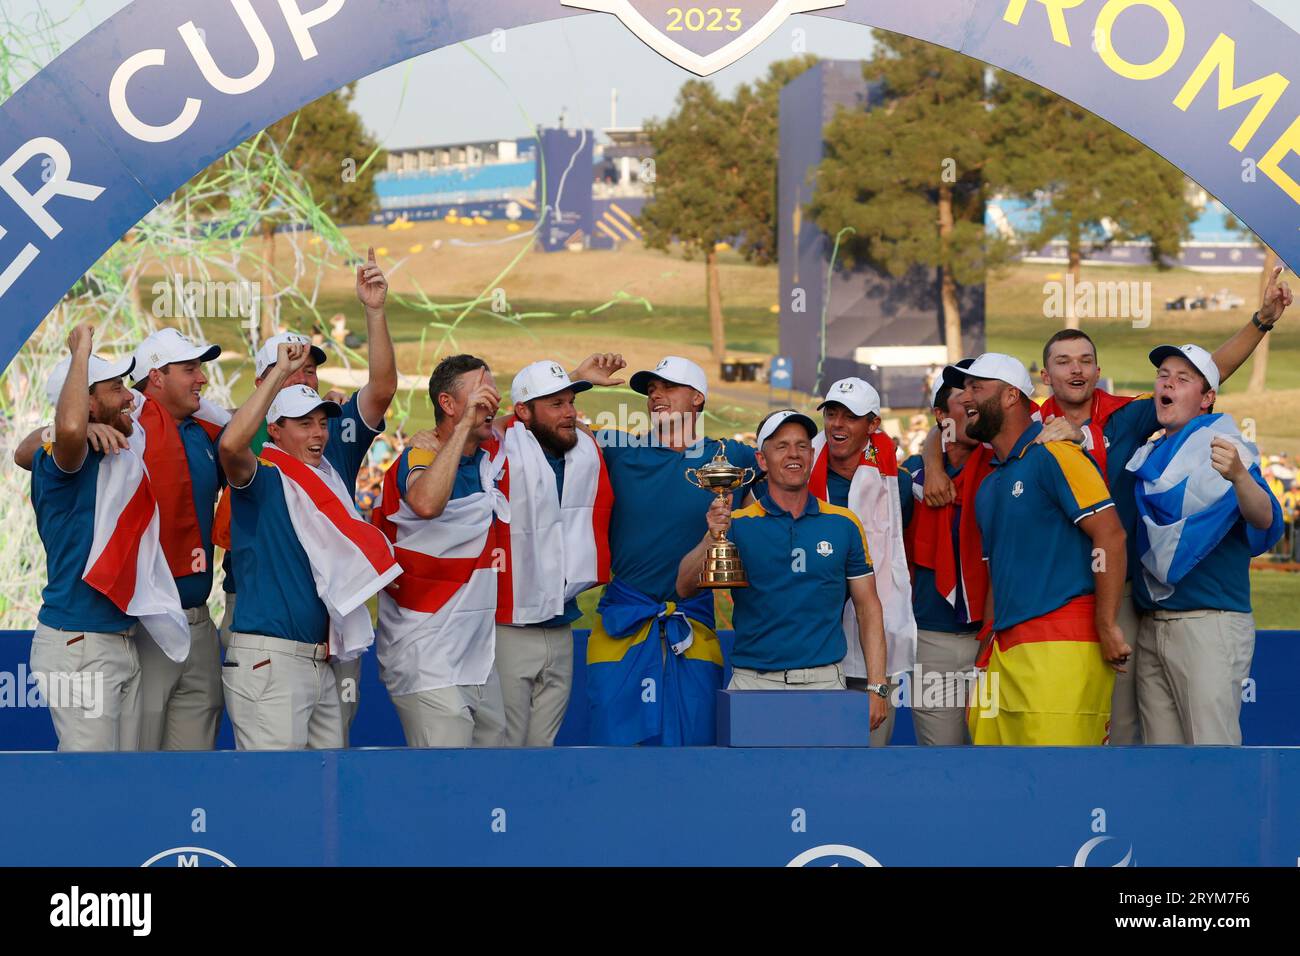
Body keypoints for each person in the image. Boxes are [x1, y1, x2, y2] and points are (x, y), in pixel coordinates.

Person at [922, 268, 1292, 743]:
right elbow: (956, 418)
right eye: (1062, 361)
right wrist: (933, 461)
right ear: (1043, 377)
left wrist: (1261, 322)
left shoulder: (1127, 413)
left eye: (1085, 360)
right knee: (1116, 727)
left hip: (1122, 589)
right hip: (1053, 600)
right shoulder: (1027, 424)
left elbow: (1202, 377)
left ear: (1098, 371)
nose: (1075, 369)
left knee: (1129, 719)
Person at [216, 247, 396, 745]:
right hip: (257, 609)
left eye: (311, 369)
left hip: (329, 623)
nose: (304, 376)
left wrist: (374, 311)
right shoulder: (249, 443)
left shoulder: (329, 440)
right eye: (290, 368)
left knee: (328, 767)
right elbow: (232, 445)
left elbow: (381, 388)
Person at [951, 353, 1129, 745]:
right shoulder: (990, 484)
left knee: (1058, 784)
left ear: (1011, 396)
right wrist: (986, 649)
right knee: (1000, 783)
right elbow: (999, 572)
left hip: (1063, 642)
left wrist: (1107, 623)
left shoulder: (1056, 453)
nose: (965, 398)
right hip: (1004, 648)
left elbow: (1110, 536)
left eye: (975, 387)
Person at [676, 410, 888, 734]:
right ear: (761, 459)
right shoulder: (739, 524)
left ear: (813, 455)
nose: (793, 454)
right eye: (781, 446)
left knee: (824, 783)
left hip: (825, 682)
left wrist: (876, 686)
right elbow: (685, 586)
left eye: (802, 446)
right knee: (752, 784)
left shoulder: (843, 523)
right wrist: (711, 536)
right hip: (752, 682)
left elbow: (868, 607)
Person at [28, 324, 188, 751]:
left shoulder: (118, 441)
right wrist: (81, 351)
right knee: (89, 785)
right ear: (89, 402)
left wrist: (70, 428)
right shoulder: (63, 460)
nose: (130, 395)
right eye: (117, 387)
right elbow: (63, 432)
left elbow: (52, 434)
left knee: (119, 783)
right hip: (78, 642)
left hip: (116, 638)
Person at [586, 355, 759, 746]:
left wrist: (929, 463)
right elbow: (536, 424)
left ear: (698, 397)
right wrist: (578, 379)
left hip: (694, 622)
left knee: (695, 752)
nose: (656, 396)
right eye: (651, 390)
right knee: (616, 751)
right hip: (622, 622)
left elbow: (798, 455)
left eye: (667, 387)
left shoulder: (732, 456)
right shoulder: (617, 449)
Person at [1128, 344, 1284, 745]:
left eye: (1182, 379)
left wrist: (1239, 477)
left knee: (1213, 756)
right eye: (1163, 375)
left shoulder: (1225, 446)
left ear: (1207, 398)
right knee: (1163, 766)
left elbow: (1265, 519)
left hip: (1209, 624)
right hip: (1152, 625)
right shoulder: (1148, 454)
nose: (1168, 383)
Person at [373, 356, 508, 748]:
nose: (492, 401)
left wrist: (576, 377)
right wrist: (466, 424)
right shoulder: (417, 457)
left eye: (494, 390)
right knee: (445, 796)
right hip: (427, 662)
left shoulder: (485, 460)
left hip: (479, 663)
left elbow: (534, 413)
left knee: (487, 792)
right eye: (480, 393)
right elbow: (427, 503)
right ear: (448, 404)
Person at [493, 361, 613, 747]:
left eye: (570, 402)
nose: (570, 413)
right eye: (557, 405)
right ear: (522, 413)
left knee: (544, 748)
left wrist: (570, 377)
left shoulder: (584, 451)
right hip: (508, 624)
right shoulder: (497, 449)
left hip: (563, 620)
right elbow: (470, 429)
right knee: (505, 746)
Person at [123, 328, 227, 751]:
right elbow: (36, 449)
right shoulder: (124, 424)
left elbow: (255, 440)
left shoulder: (205, 427)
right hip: (144, 624)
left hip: (199, 622)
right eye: (190, 369)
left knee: (193, 772)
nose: (201, 378)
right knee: (139, 767)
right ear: (156, 377)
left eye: (199, 367)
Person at [806, 378, 916, 746]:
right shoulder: (800, 475)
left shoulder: (894, 484)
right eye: (832, 414)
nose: (837, 424)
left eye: (850, 417)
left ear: (872, 425)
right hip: (815, 647)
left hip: (875, 649)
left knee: (869, 758)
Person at [899, 362, 993, 745]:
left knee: (996, 757)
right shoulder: (911, 477)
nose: (973, 403)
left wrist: (933, 454)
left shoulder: (1006, 464)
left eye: (979, 395)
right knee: (939, 757)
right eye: (962, 398)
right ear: (940, 415)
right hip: (931, 641)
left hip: (993, 640)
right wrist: (932, 459)